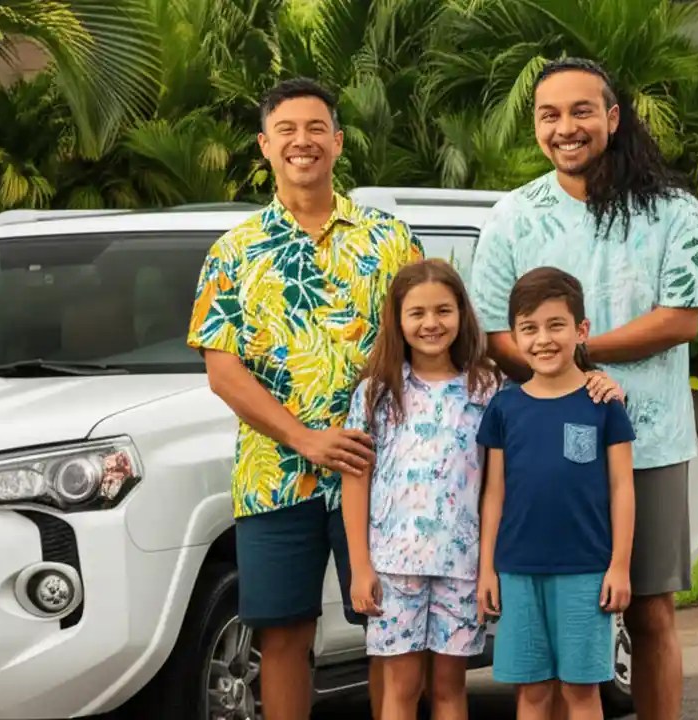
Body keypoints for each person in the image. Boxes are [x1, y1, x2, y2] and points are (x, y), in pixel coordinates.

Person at [469, 57, 698, 720]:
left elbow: (681, 317)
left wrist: (583, 354)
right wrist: (568, 378)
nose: (565, 127)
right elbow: (493, 332)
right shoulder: (513, 217)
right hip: (543, 460)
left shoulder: (673, 212)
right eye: (549, 115)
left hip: (650, 447)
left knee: (650, 611)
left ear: (613, 116)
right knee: (548, 630)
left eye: (582, 111)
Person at [187, 77, 424, 720]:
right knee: (282, 633)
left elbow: (429, 340)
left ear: (338, 142)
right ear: (265, 146)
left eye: (316, 129)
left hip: (381, 472)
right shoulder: (233, 253)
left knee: (389, 632)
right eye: (287, 131)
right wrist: (304, 437)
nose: (303, 142)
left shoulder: (389, 240)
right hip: (274, 476)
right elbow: (223, 369)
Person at [342, 260, 624, 720]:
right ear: (397, 321)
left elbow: (549, 391)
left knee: (451, 688)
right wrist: (359, 566)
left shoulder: (488, 387)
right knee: (402, 686)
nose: (431, 323)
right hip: (393, 565)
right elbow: (356, 481)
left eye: (443, 311)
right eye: (417, 313)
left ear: (462, 314)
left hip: (462, 564)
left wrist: (600, 380)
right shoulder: (377, 393)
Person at [476, 267, 637, 720]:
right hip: (519, 571)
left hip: (585, 571)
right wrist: (488, 569)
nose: (542, 339)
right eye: (529, 328)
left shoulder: (604, 404)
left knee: (581, 691)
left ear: (581, 330)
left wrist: (619, 566)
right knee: (532, 693)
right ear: (514, 335)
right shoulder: (504, 408)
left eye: (555, 325)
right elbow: (494, 494)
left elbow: (623, 488)